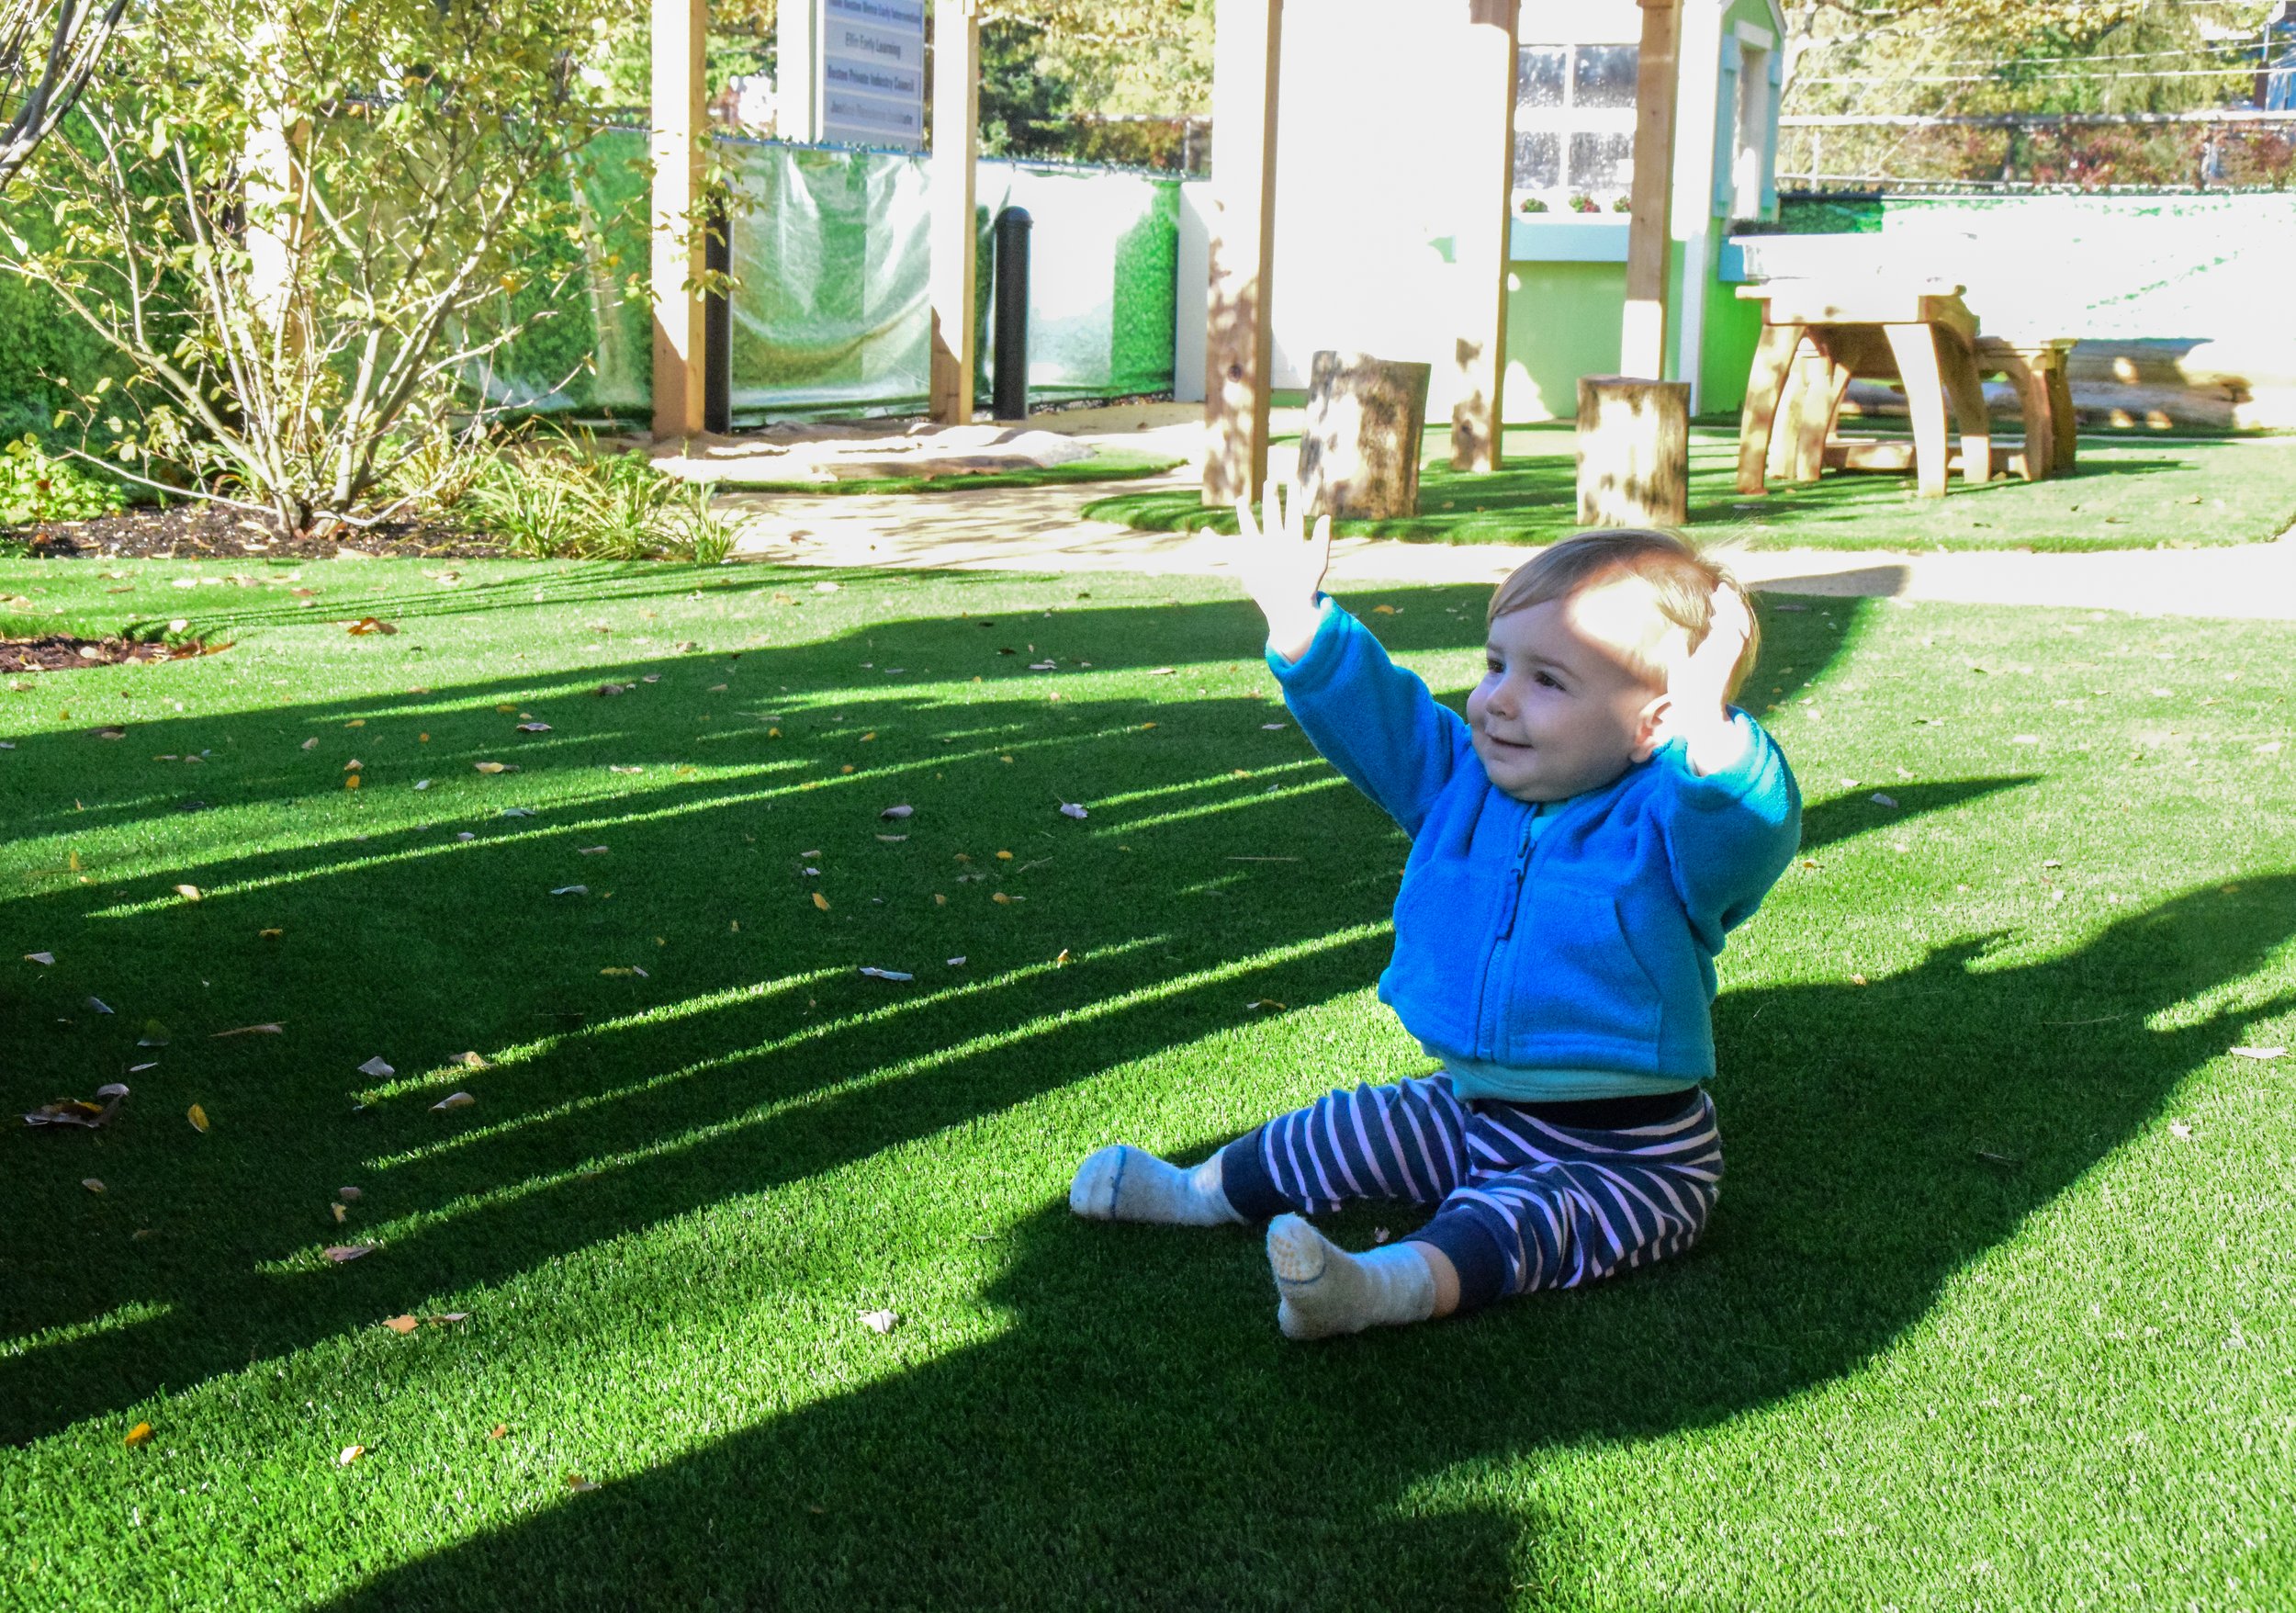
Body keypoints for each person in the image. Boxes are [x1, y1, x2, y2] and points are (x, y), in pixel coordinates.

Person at [1070, 485, 1802, 1340]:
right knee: (1347, 1127)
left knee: (1519, 1225)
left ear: (1655, 722)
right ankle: (1196, 1193)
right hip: (1471, 1105)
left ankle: (1378, 1287)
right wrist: (1301, 627)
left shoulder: (1670, 825)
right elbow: (1388, 723)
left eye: (1547, 681)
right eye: (1496, 665)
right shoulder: (1464, 785)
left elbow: (1747, 827)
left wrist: (1712, 729)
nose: (1497, 699)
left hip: (1624, 1157)